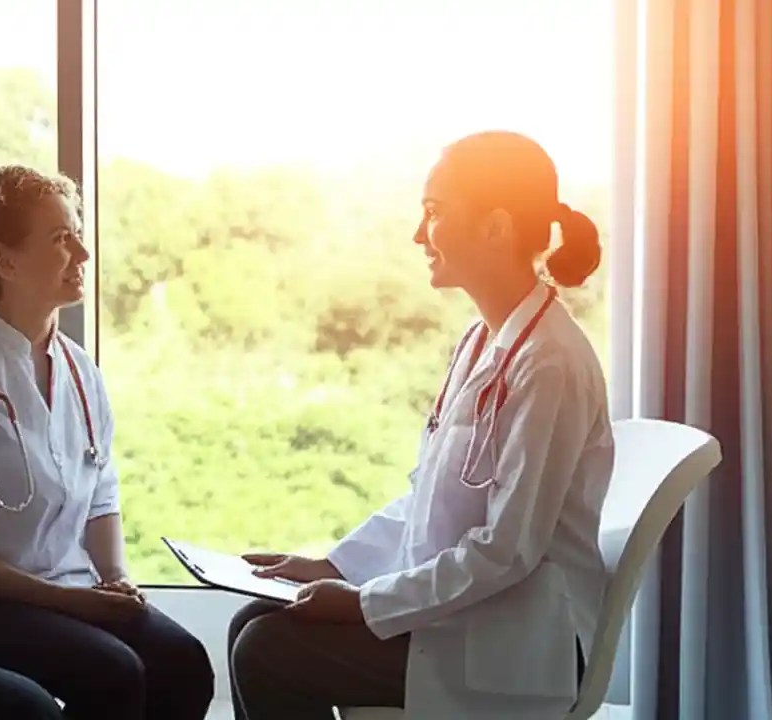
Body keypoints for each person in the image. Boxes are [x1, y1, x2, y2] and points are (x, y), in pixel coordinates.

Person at [228, 131, 615, 720]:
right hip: (468, 614)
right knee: (252, 619)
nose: (417, 234)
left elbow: (507, 551)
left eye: (433, 213)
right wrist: (336, 567)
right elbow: (428, 498)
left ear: (495, 227)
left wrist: (363, 603)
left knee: (269, 650)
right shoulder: (484, 339)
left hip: (517, 643)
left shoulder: (550, 363)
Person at [0, 165, 216, 720]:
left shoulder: (82, 371)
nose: (83, 255)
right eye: (61, 239)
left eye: (78, 234)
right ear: (5, 260)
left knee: (184, 662)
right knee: (113, 672)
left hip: (73, 588)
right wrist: (69, 601)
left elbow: (102, 497)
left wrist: (115, 580)